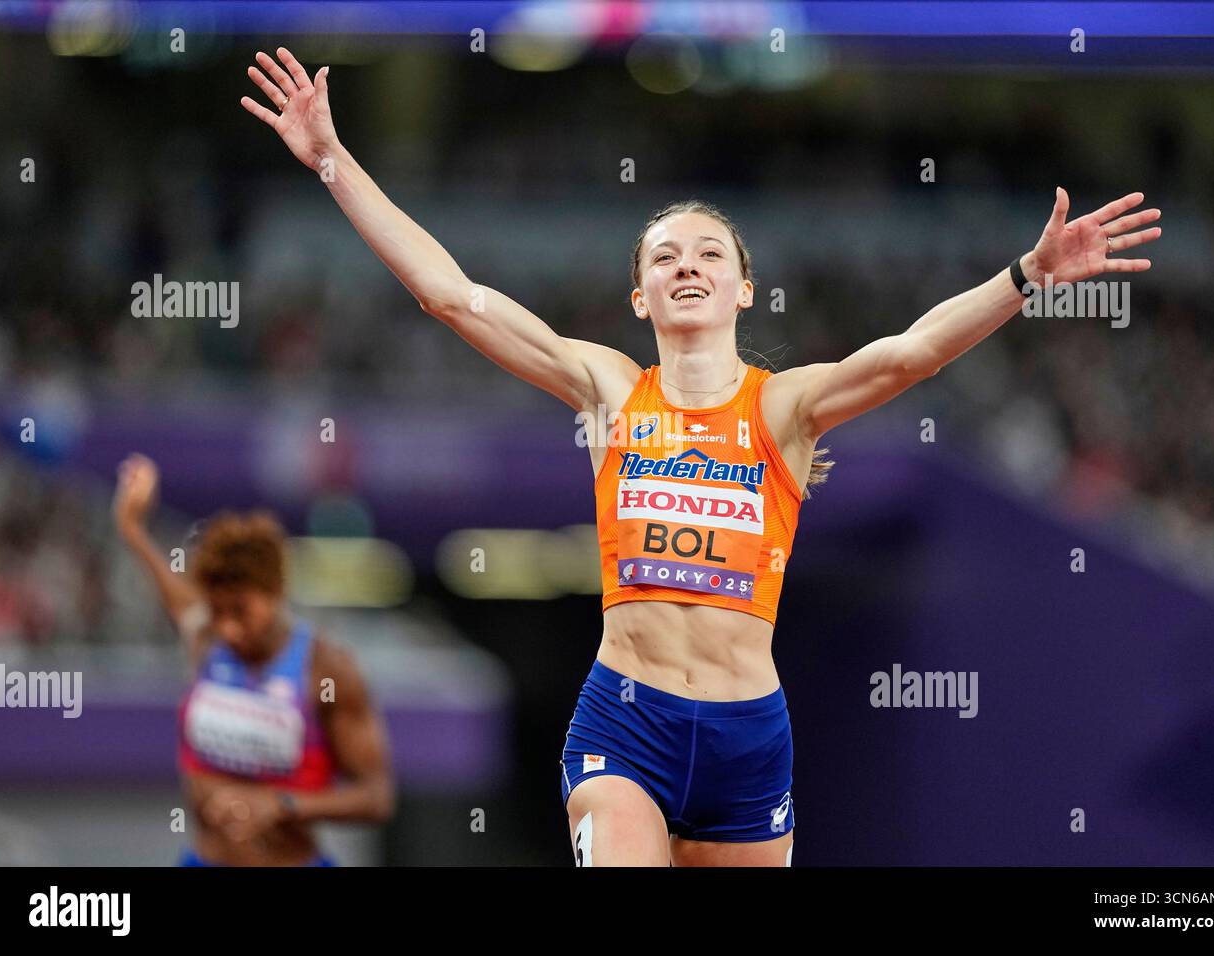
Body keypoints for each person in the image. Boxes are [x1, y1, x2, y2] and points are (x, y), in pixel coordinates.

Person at [240, 47, 1161, 866]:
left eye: (709, 253)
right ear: (639, 296)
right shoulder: (608, 390)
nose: (687, 265)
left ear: (743, 287)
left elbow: (911, 352)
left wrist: (1029, 275)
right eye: (664, 256)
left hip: (747, 739)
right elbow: (454, 296)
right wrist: (332, 159)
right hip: (623, 722)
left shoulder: (787, 408)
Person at [113, 453, 395, 866]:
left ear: (275, 592)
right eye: (218, 610)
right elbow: (168, 584)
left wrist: (281, 805)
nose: (228, 628)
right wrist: (131, 525)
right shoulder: (205, 635)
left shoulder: (327, 670)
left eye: (241, 612)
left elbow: (376, 797)